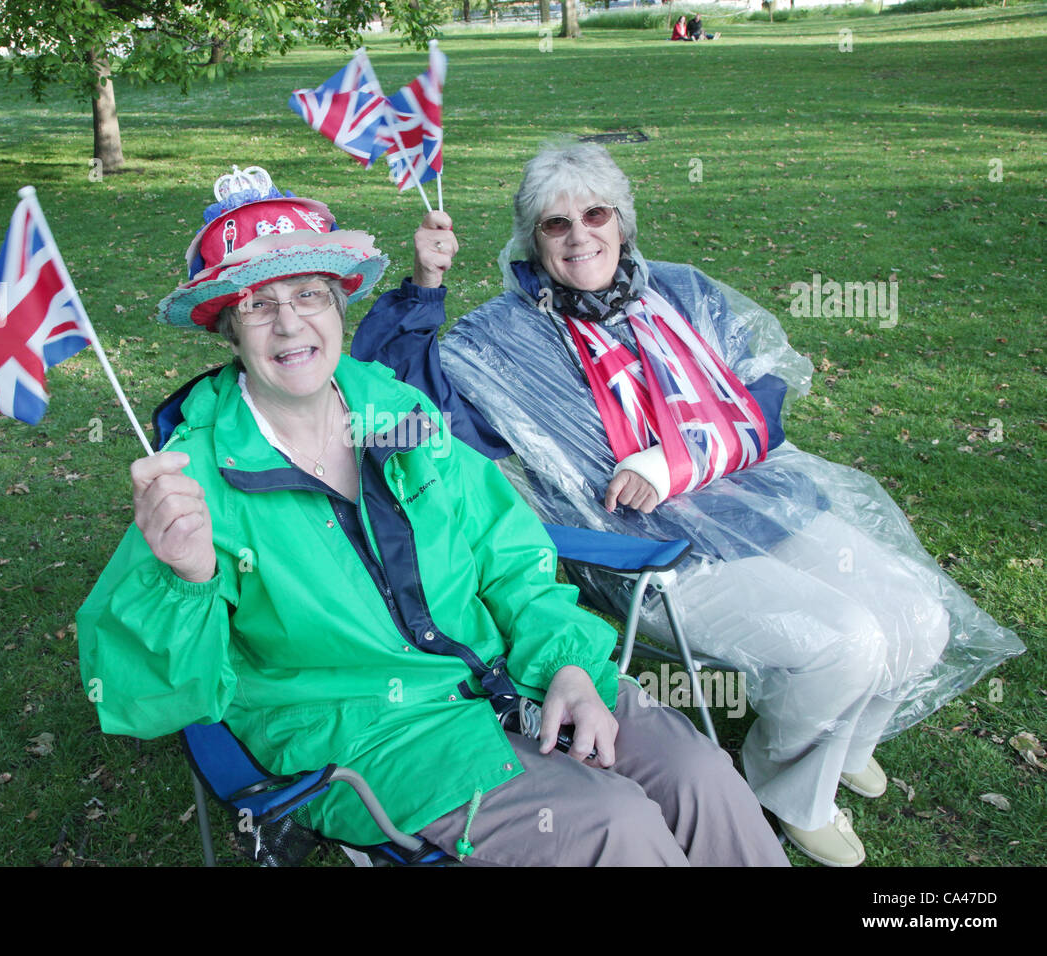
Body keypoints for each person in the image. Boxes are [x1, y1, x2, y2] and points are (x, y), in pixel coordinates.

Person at [76, 166, 789, 866]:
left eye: (309, 294)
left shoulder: (401, 413)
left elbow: (510, 557)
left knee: (702, 777)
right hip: (370, 734)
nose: (289, 322)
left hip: (518, 671)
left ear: (339, 306)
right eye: (259, 305)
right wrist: (188, 580)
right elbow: (145, 698)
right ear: (229, 328)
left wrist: (568, 663)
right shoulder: (190, 477)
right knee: (613, 825)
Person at [352, 141, 1024, 867]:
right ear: (530, 238)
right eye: (555, 224)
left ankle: (844, 738)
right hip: (652, 547)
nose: (580, 235)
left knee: (918, 619)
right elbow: (414, 418)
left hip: (758, 499)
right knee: (847, 643)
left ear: (622, 220)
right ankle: (791, 789)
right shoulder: (502, 340)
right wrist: (424, 288)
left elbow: (764, 394)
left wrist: (674, 460)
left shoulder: (682, 291)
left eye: (595, 213)